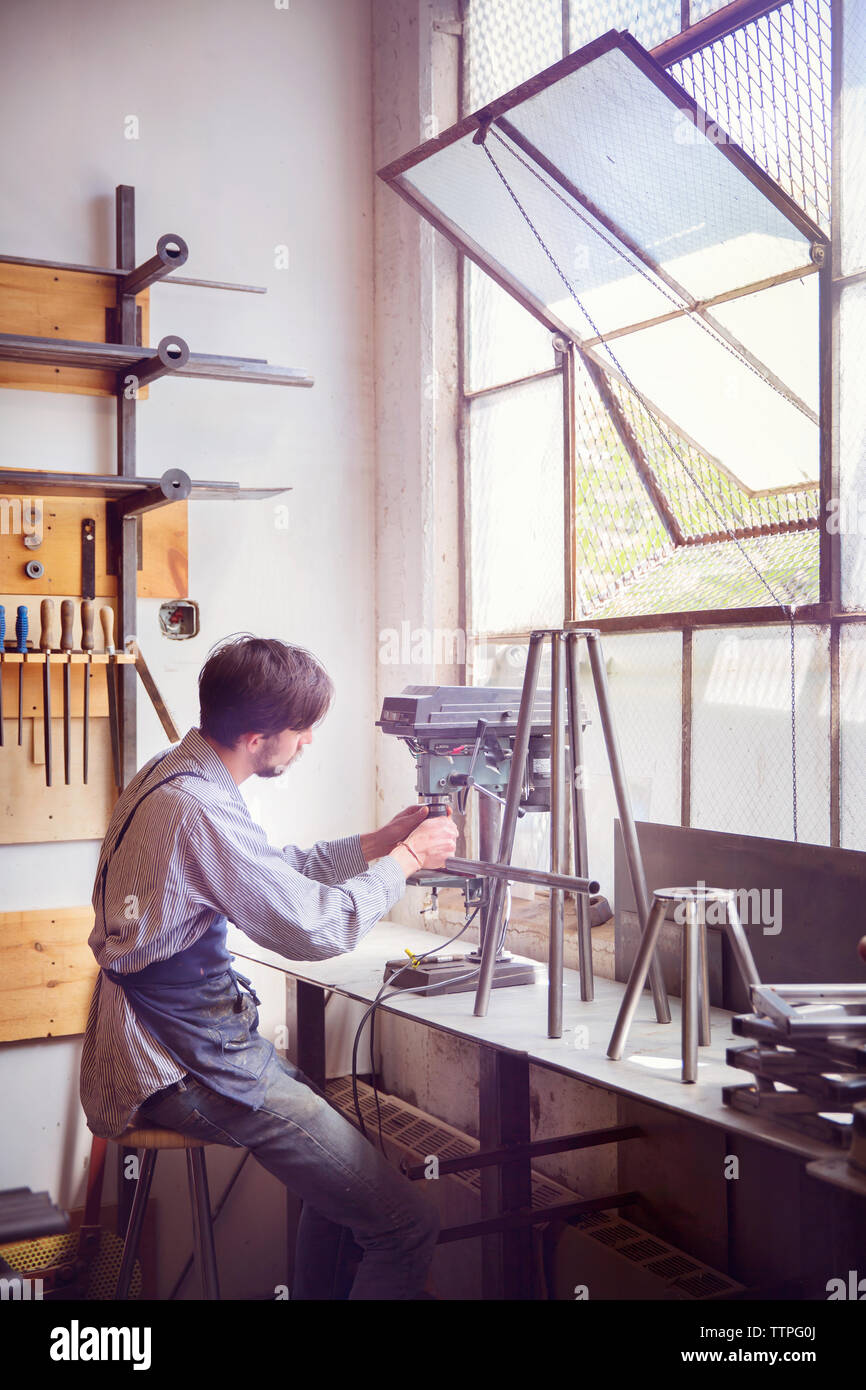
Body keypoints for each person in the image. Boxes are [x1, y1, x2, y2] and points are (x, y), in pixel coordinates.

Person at [79, 634, 458, 1300]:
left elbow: (268, 869)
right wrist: (408, 863)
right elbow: (317, 928)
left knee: (346, 1191)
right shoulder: (196, 807)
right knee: (404, 1225)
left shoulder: (176, 774)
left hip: (178, 1043)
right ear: (258, 738)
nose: (308, 741)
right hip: (182, 1066)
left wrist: (378, 842)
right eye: (301, 729)